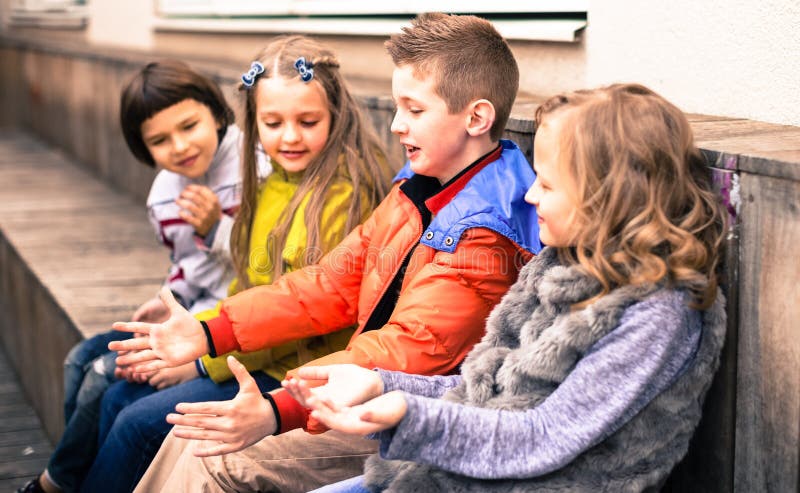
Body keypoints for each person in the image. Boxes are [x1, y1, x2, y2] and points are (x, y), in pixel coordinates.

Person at [115, 13, 543, 493]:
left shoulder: (484, 235)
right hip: (355, 392)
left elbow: (406, 350)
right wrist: (207, 332)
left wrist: (282, 409)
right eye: (398, 107)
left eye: (414, 110)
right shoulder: (421, 189)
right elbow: (328, 284)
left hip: (409, 420)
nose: (398, 125)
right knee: (193, 435)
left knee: (216, 453)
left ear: (477, 118)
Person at [287, 83, 729, 493]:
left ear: (609, 196)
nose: (530, 195)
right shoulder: (560, 269)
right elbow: (488, 392)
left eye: (549, 184)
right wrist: (379, 385)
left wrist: (408, 416)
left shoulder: (657, 312)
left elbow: (545, 436)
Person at [72, 36, 394, 493]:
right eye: (273, 122)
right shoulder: (273, 177)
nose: (289, 137)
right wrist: (193, 336)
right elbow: (250, 289)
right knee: (117, 389)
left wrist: (202, 362)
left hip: (295, 373)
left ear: (336, 114)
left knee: (137, 424)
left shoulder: (341, 195)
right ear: (253, 122)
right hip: (249, 352)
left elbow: (300, 319)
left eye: (308, 121)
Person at [17, 60, 251, 493]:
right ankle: (81, 472)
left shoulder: (252, 166)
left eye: (189, 126)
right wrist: (169, 296)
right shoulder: (164, 192)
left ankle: (58, 483)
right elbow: (188, 264)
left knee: (108, 373)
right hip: (196, 310)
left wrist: (217, 228)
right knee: (80, 358)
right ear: (144, 150)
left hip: (229, 320)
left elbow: (264, 266)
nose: (180, 146)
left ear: (216, 114)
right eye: (160, 141)